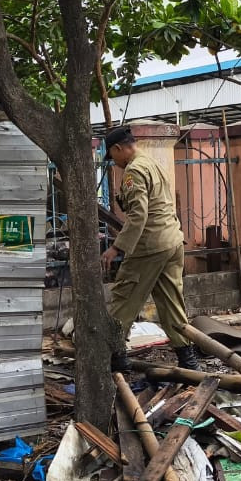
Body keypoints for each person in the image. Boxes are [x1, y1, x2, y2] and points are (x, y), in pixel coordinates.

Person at [100, 126, 199, 372]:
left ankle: (117, 362)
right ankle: (188, 359)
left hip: (150, 246)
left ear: (118, 148)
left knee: (124, 300)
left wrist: (116, 248)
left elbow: (138, 216)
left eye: (112, 157)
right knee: (171, 302)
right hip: (172, 242)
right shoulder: (150, 163)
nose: (114, 162)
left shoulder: (134, 171)